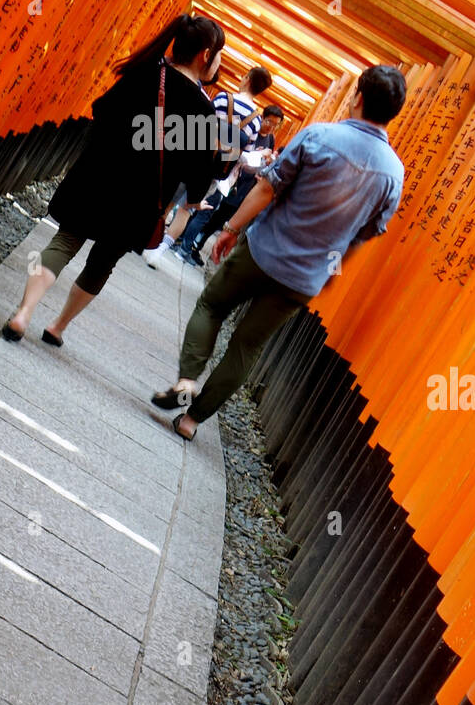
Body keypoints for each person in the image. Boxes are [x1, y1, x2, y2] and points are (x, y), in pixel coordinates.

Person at [152, 65, 407, 440]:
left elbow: (267, 189)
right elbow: (361, 236)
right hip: (303, 279)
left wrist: (230, 228)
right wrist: (329, 272)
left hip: (262, 250)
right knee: (247, 346)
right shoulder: (393, 175)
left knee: (211, 306)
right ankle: (192, 421)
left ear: (359, 98)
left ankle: (187, 380)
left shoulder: (320, 136)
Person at [3, 14, 223, 344]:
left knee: (64, 243)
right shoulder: (203, 112)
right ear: (206, 54)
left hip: (97, 176)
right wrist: (192, 198)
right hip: (142, 200)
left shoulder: (146, 72)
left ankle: (23, 313)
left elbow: (101, 109)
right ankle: (58, 327)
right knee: (102, 264)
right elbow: (199, 173)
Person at [145, 65, 272, 267]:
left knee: (168, 199)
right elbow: (243, 156)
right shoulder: (256, 121)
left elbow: (200, 124)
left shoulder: (222, 99)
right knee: (186, 210)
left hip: (192, 159)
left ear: (246, 79)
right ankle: (159, 251)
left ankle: (148, 239)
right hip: (214, 173)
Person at [176, 103, 284, 265]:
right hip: (226, 176)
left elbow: (259, 163)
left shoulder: (271, 140)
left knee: (215, 218)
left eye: (275, 125)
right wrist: (257, 155)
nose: (270, 127)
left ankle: (189, 244)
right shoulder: (251, 131)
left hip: (241, 185)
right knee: (204, 211)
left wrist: (264, 163)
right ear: (262, 117)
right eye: (269, 122)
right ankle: (182, 243)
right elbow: (239, 154)